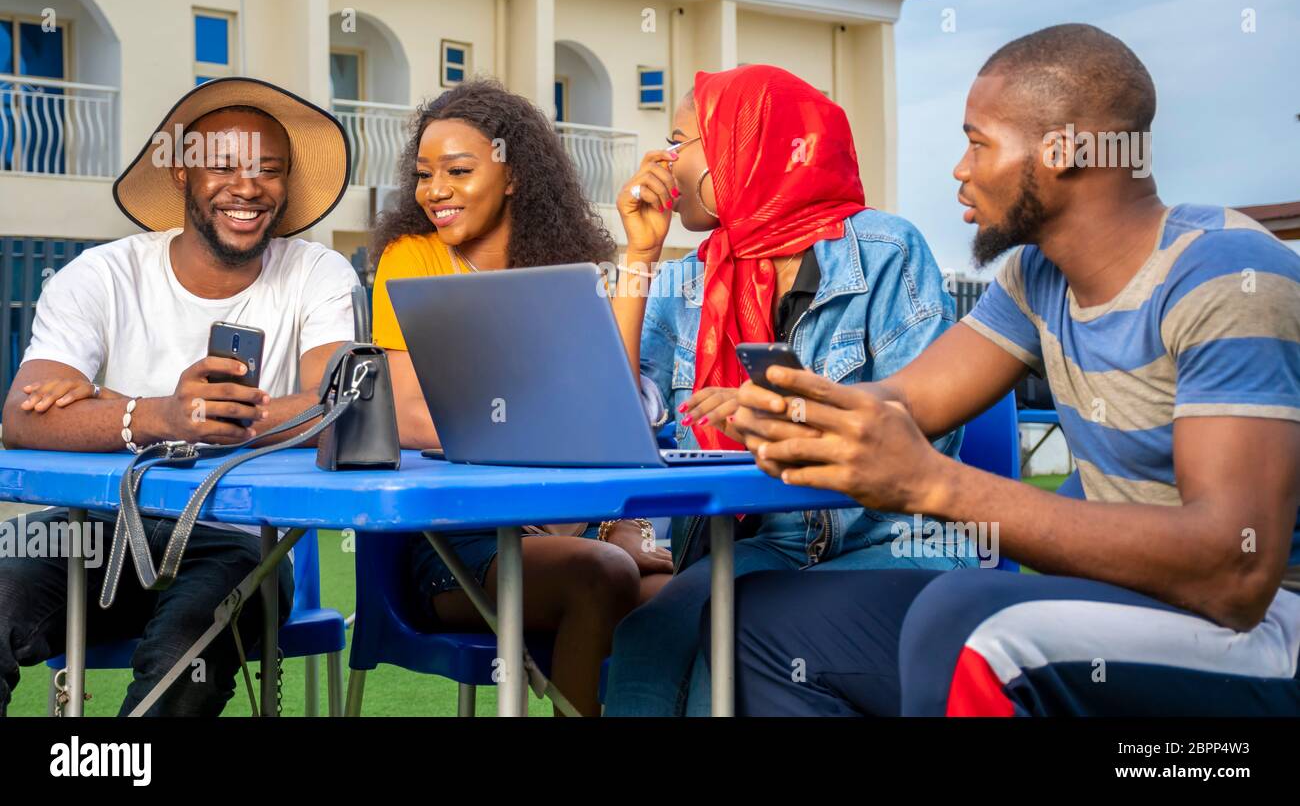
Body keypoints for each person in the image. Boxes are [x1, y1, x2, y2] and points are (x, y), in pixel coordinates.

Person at [724, 24, 1300, 716]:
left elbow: (1234, 570)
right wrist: (794, 404)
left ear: (1062, 152)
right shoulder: (1037, 276)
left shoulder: (1227, 275)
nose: (960, 170)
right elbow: (907, 397)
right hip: (1121, 605)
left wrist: (933, 483)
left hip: (1262, 632)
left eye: (978, 142)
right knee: (762, 620)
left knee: (969, 619)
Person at [603, 64, 975, 717]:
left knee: (729, 647)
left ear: (744, 146)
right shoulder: (689, 278)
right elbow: (614, 420)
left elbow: (927, 431)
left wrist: (783, 419)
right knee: (648, 639)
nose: (662, 158)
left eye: (679, 138)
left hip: (889, 541)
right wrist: (638, 257)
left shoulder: (887, 252)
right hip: (758, 545)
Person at [0, 78, 359, 715]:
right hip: (99, 528)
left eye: (268, 170)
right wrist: (167, 413)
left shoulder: (316, 272)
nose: (247, 187)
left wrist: (113, 406)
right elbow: (23, 418)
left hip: (244, 537)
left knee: (180, 666)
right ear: (180, 175)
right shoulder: (102, 274)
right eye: (223, 166)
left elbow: (341, 406)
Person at [368, 78, 670, 716]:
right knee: (604, 574)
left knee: (684, 598)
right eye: (425, 174)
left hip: (575, 519)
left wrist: (641, 253)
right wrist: (560, 432)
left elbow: (610, 402)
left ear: (513, 175)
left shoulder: (566, 262)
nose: (436, 191)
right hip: (464, 538)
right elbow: (414, 416)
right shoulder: (412, 258)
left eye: (458, 170)